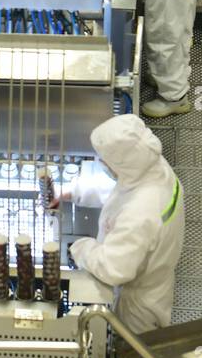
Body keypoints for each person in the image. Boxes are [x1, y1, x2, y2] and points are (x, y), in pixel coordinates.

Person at [60, 114, 185, 332]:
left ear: (123, 164)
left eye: (106, 162)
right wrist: (74, 191)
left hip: (137, 306)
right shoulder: (153, 166)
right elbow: (122, 191)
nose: (103, 165)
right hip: (157, 277)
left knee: (132, 351)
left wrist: (80, 249)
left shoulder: (141, 213)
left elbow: (113, 269)